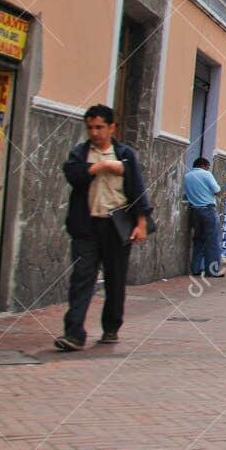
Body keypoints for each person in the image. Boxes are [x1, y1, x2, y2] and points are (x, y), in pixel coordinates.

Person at [56, 104, 152, 352]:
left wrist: (141, 223)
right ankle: (74, 334)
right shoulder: (80, 153)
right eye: (90, 128)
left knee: (115, 280)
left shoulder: (125, 154)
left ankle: (111, 327)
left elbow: (137, 189)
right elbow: (73, 175)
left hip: (116, 226)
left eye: (99, 127)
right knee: (81, 279)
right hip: (86, 225)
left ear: (111, 128)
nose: (95, 133)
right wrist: (101, 167)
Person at [184, 157, 225, 278]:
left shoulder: (187, 176)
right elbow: (217, 191)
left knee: (198, 240)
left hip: (194, 211)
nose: (208, 169)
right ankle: (212, 270)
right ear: (204, 165)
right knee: (213, 241)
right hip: (208, 210)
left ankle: (196, 268)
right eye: (208, 167)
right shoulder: (206, 174)